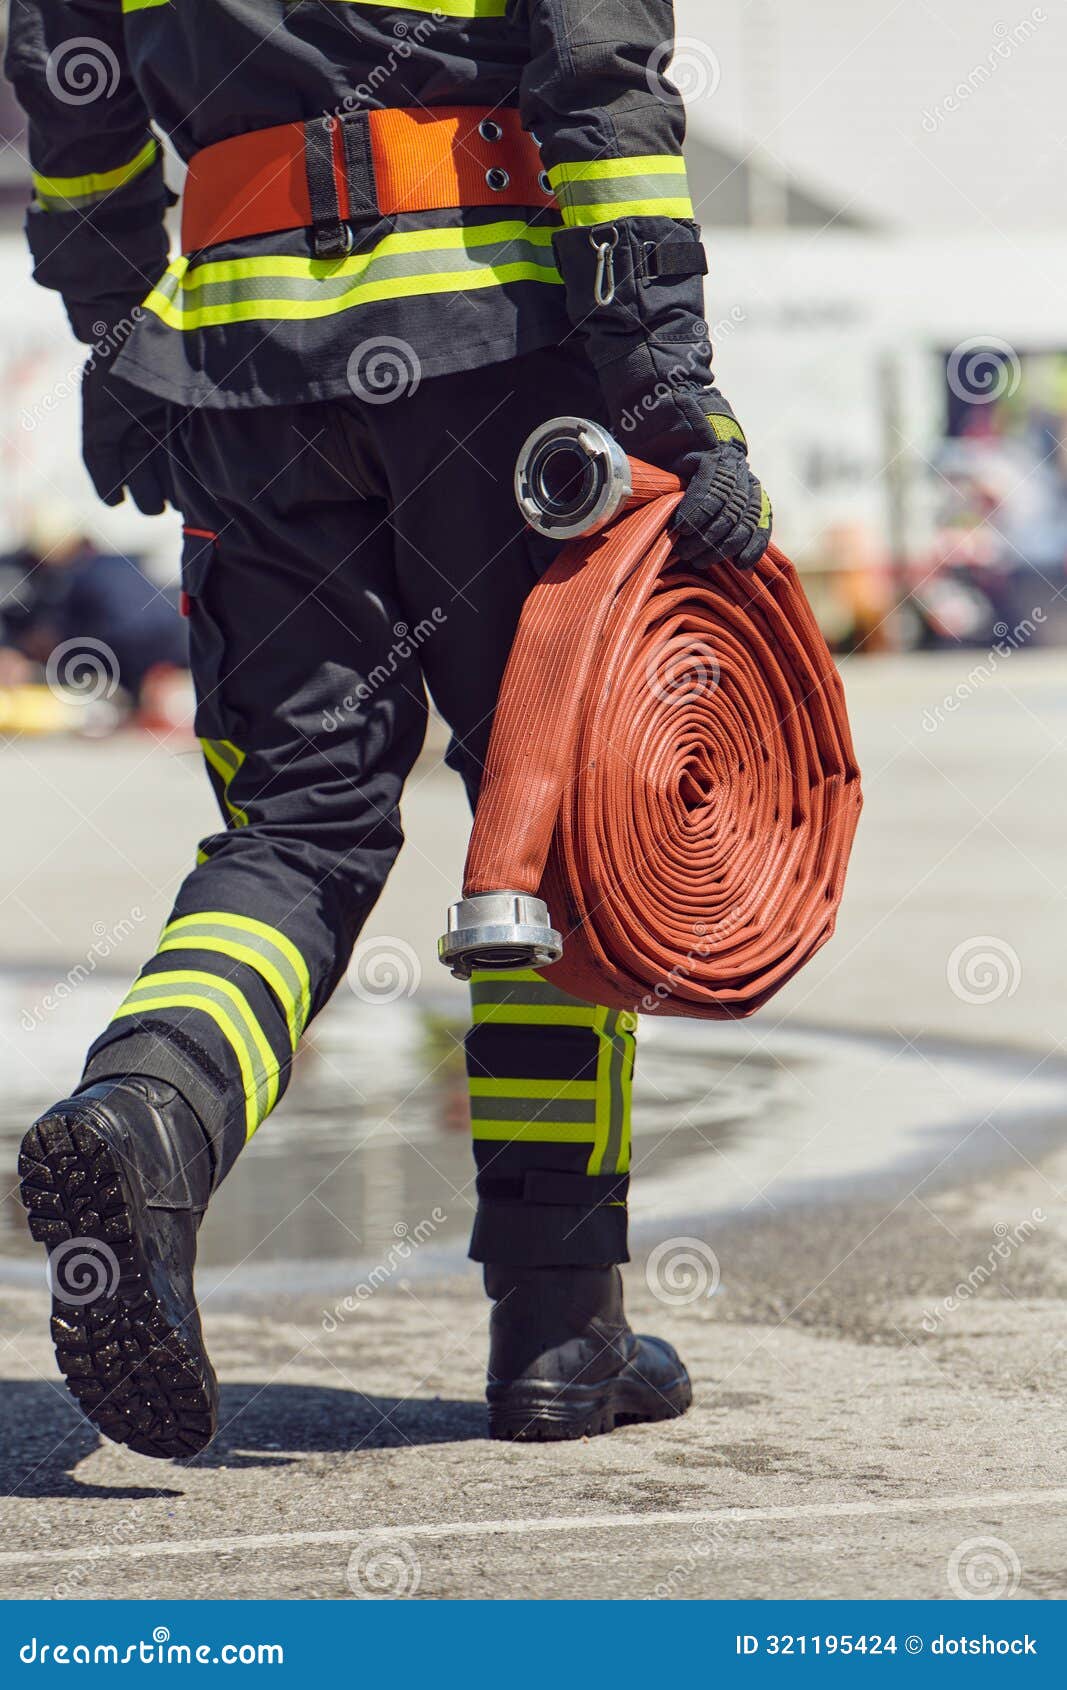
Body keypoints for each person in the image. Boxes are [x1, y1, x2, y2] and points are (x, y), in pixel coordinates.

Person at [7, 0, 771, 1459]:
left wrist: (117, 334)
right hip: (501, 352)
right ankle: (557, 1326)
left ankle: (148, 1116)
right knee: (552, 826)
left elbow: (72, 88)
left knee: (295, 825)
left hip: (246, 370)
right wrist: (672, 383)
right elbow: (603, 81)